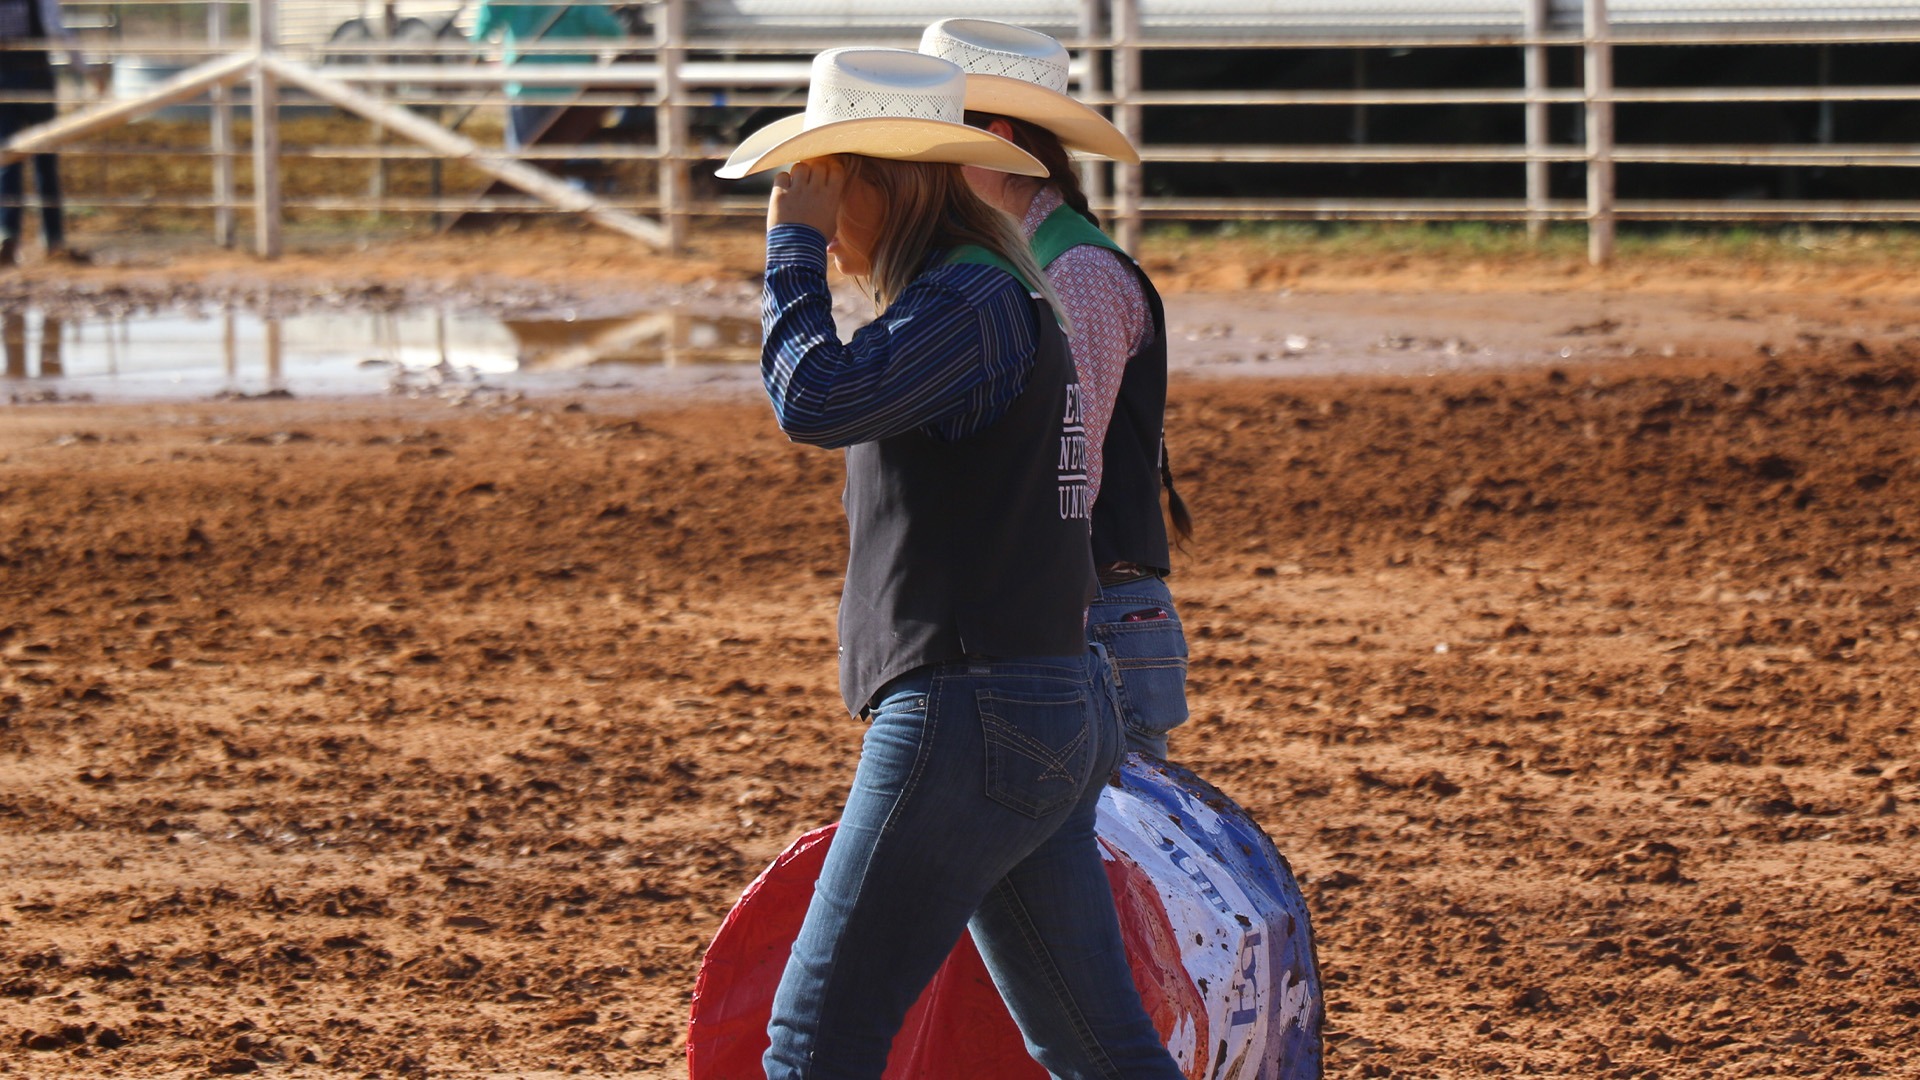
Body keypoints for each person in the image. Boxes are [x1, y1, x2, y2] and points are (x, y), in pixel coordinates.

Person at [718, 46, 1184, 1080]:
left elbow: (816, 401)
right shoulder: (994, 294)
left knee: (813, 1041)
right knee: (1095, 1045)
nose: (826, 225)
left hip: (970, 709)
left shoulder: (969, 305)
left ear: (887, 183)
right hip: (1040, 698)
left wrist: (787, 254)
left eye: (831, 192)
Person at [923, 19, 1195, 760]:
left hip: (1084, 620)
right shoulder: (1042, 256)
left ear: (998, 141)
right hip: (1088, 616)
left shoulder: (1072, 270)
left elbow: (1072, 466)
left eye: (938, 144)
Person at [0, 0, 102, 267]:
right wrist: (86, 69)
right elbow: (58, 30)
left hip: (7, 85)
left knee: (8, 161)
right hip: (36, 82)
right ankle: (52, 241)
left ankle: (8, 238)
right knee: (44, 163)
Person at [469, 0, 624, 153]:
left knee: (524, 153)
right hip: (571, 85)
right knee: (578, 148)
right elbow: (609, 30)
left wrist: (479, 52)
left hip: (525, 84)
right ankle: (583, 176)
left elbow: (487, 19)